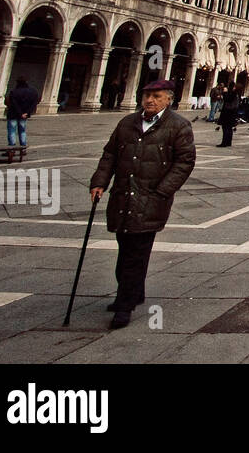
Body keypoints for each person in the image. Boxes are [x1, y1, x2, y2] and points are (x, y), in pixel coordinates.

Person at [89, 79, 195, 330]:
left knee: (137, 251)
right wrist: (99, 182)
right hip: (123, 196)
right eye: (147, 95)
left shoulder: (178, 125)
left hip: (151, 198)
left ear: (168, 99)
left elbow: (185, 161)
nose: (150, 100)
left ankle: (124, 304)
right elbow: (110, 155)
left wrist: (162, 191)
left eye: (156, 96)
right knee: (125, 246)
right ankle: (134, 292)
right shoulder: (127, 123)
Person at [5, 77, 40, 150]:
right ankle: (23, 147)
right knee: (22, 131)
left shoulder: (14, 91)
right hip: (24, 114)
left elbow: (14, 104)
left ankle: (12, 148)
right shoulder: (33, 91)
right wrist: (27, 113)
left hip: (13, 114)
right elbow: (34, 103)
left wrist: (20, 113)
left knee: (12, 131)